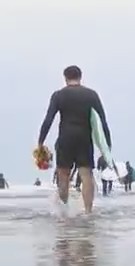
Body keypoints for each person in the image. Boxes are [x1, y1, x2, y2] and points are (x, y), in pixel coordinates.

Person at [38, 65, 111, 212]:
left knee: (63, 174)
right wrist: (107, 146)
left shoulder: (58, 95)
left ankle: (64, 212)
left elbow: (48, 119)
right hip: (84, 138)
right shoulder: (91, 95)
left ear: (65, 78)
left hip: (65, 138)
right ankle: (88, 211)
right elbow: (103, 120)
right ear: (80, 77)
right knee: (86, 175)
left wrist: (41, 141)